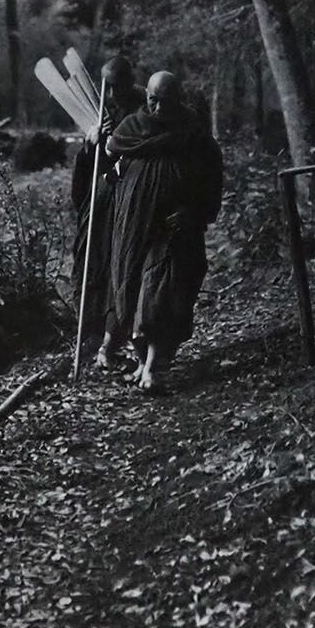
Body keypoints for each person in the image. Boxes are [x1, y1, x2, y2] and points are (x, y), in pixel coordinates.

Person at [100, 71, 223, 392]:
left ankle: (153, 367)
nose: (158, 109)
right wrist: (101, 153)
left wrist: (194, 211)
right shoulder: (133, 126)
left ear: (178, 100)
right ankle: (143, 363)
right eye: (153, 100)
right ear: (147, 97)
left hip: (174, 227)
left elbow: (211, 178)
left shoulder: (192, 132)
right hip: (133, 225)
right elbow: (109, 161)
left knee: (162, 291)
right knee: (129, 289)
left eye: (166, 102)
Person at [70, 55, 144, 342]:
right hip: (102, 197)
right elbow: (88, 164)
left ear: (129, 81)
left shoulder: (144, 106)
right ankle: (90, 329)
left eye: (117, 86)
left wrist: (117, 144)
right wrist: (91, 143)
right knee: (91, 258)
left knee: (123, 264)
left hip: (132, 196)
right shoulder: (102, 109)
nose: (112, 94)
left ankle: (120, 332)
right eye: (107, 87)